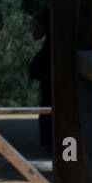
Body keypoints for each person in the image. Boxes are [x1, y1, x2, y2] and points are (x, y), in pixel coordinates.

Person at [28, 9, 52, 150]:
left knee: (47, 102)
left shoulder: (50, 11)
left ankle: (47, 141)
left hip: (50, 62)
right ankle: (67, 146)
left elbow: (36, 34)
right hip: (65, 61)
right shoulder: (76, 9)